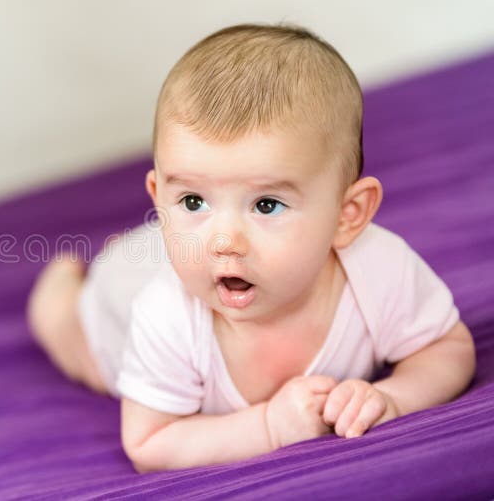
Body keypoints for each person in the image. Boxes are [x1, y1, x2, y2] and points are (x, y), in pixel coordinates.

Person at [26, 23, 476, 473]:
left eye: (266, 205)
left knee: (168, 249)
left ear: (348, 214)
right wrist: (268, 427)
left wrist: (392, 398)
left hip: (179, 255)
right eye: (191, 200)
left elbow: (446, 350)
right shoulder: (165, 316)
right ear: (158, 197)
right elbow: (151, 442)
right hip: (121, 298)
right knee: (80, 344)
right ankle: (61, 284)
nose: (226, 240)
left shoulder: (378, 269)